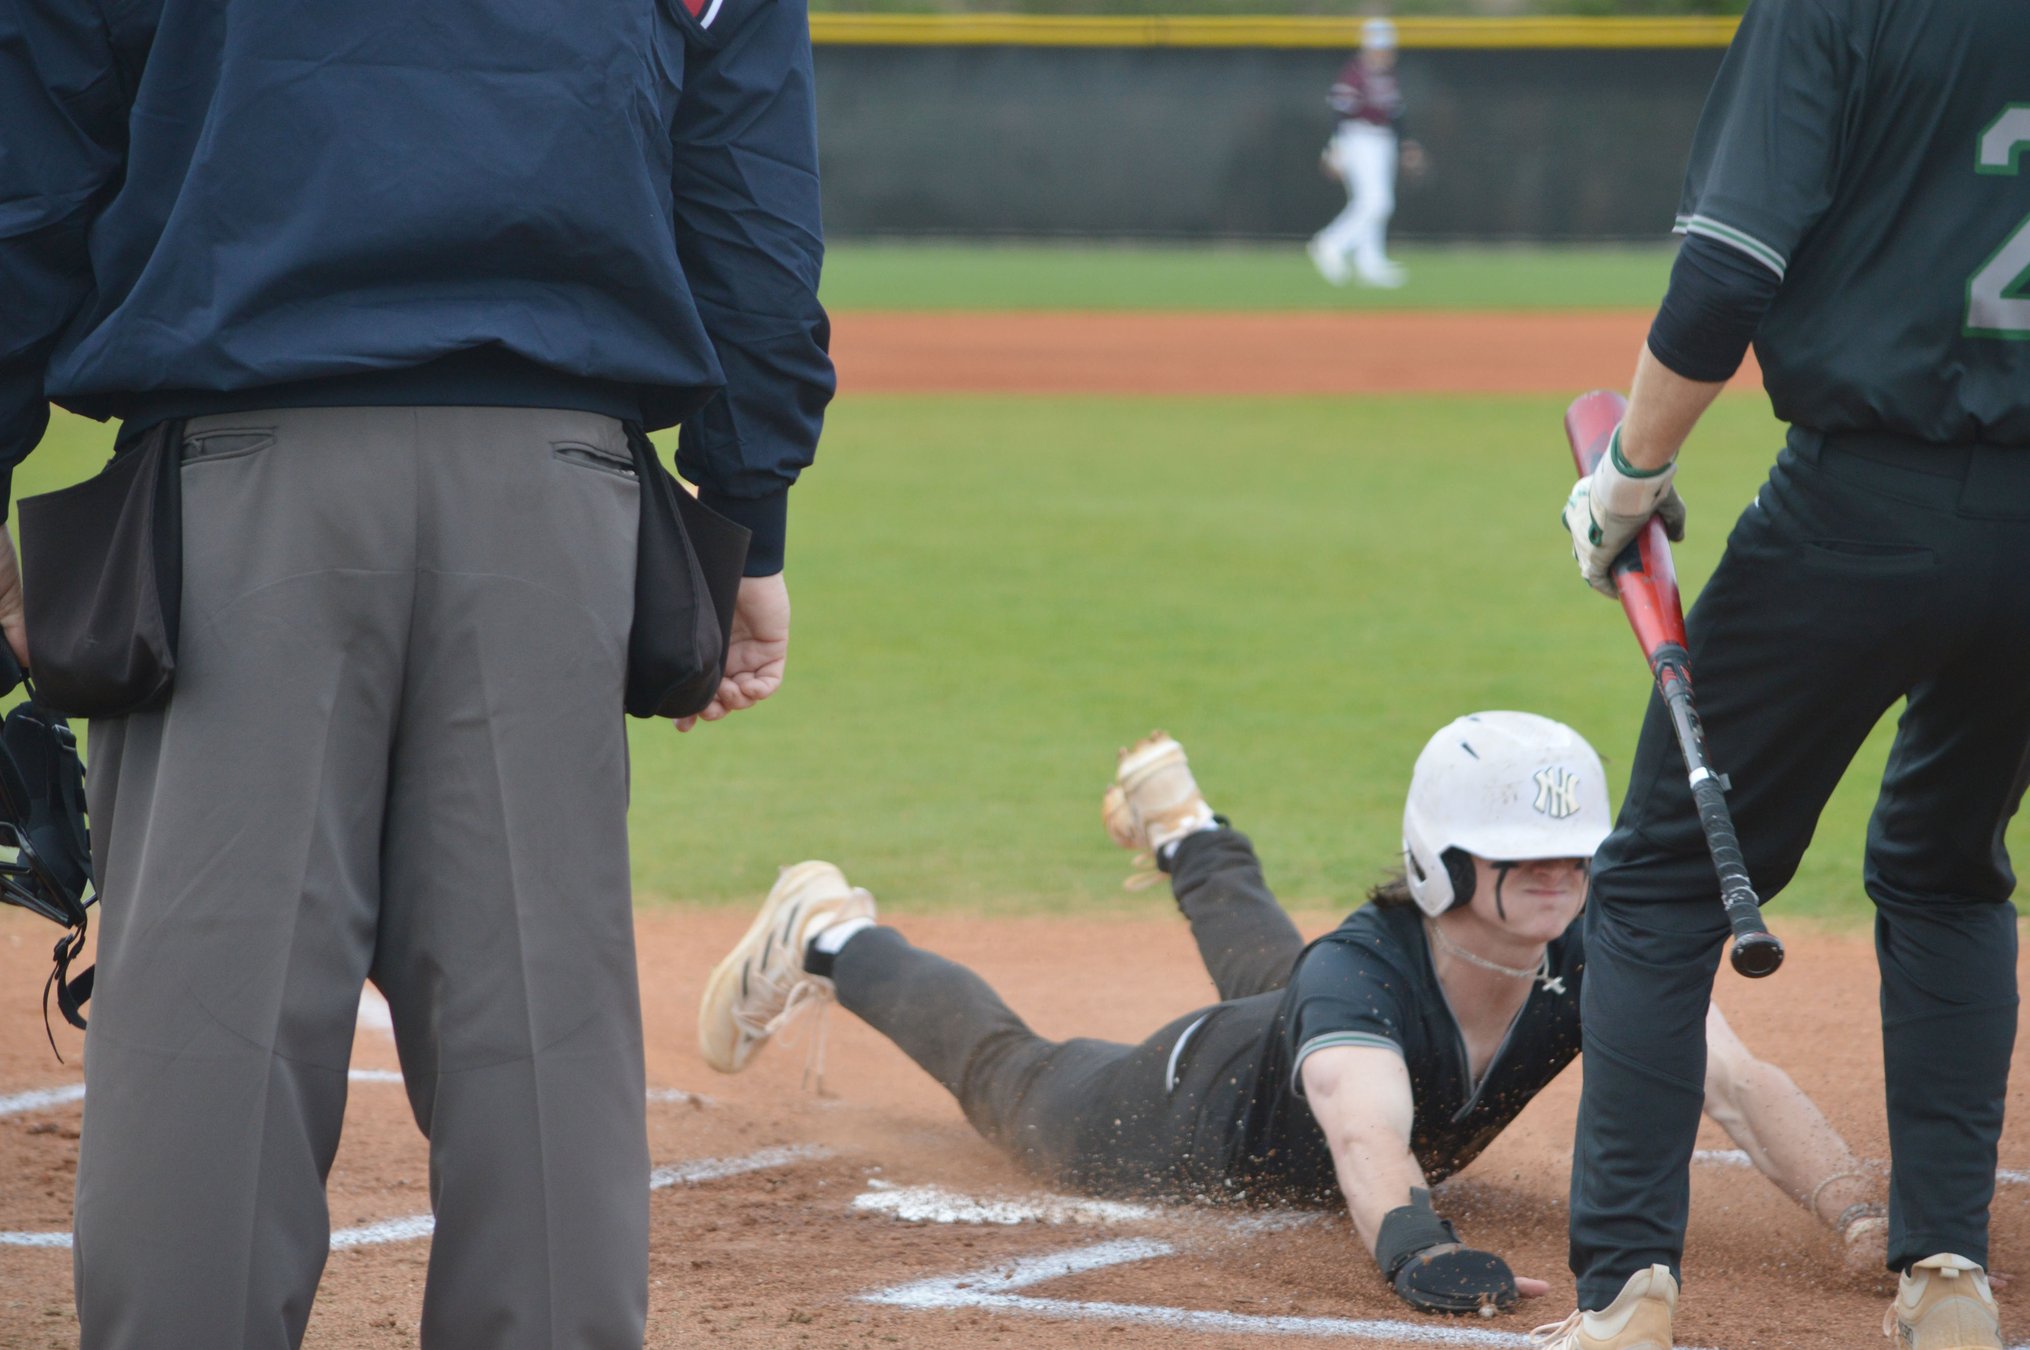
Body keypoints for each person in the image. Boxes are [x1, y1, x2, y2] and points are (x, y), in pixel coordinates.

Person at [0, 0, 831, 1343]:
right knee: (541, 1039)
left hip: (238, 486)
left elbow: (27, 170)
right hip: (555, 494)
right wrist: (748, 506)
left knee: (213, 1035)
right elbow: (747, 183)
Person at [698, 719, 1891, 1318]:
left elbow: (1733, 1079)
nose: (1551, 880)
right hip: (1172, 1114)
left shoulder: (1582, 947)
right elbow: (1366, 1139)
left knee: (1288, 976)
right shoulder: (1355, 989)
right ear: (1445, 859)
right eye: (1517, 859)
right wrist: (1420, 1255)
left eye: (1568, 859)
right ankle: (831, 934)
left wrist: (1854, 1211)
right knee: (1011, 1075)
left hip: (1312, 1016)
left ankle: (1186, 830)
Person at [1549, 0, 2030, 1343]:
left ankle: (1625, 1291)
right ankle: (1946, 1282)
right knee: (1947, 864)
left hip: (1858, 504)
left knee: (1653, 882)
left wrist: (1627, 480)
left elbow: (1720, 281)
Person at [1307, 16, 1425, 290]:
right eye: (1378, 47)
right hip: (1357, 138)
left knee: (1373, 202)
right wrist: (1335, 147)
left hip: (1381, 140)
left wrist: (1406, 144)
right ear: (1367, 48)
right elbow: (1339, 113)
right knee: (1377, 202)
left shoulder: (1387, 76)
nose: (1384, 52)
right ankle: (1330, 242)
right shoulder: (1355, 73)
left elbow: (1396, 115)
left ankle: (1371, 263)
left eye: (1386, 47)